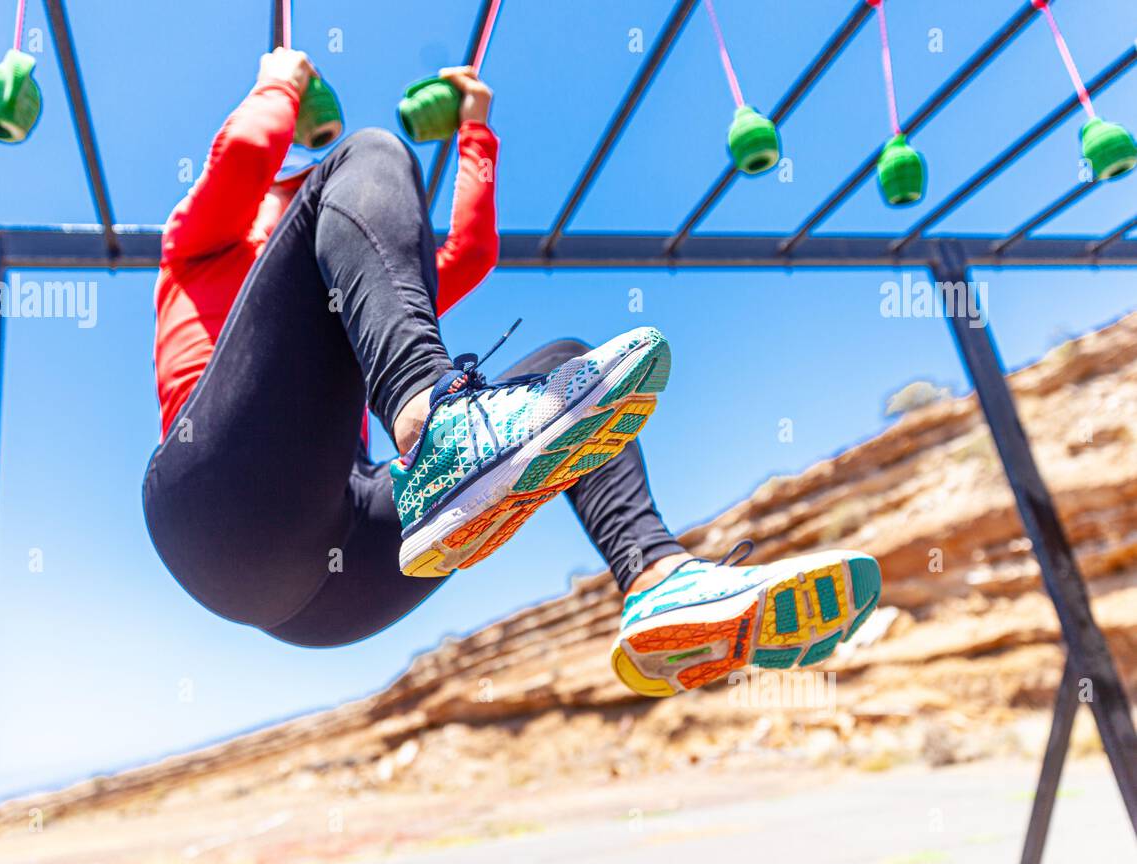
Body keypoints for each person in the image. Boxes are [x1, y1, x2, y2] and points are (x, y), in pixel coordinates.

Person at [143, 48, 882, 697]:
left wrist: (476, 130)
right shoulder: (198, 241)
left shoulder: (355, 279)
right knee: (371, 150)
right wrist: (279, 83)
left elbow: (465, 256)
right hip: (211, 500)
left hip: (336, 586)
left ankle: (658, 580)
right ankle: (435, 422)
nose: (299, 188)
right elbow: (246, 155)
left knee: (567, 376)